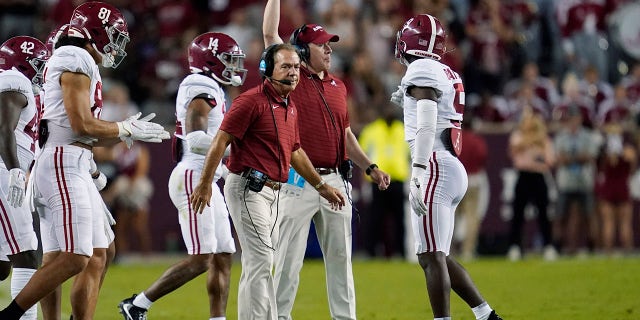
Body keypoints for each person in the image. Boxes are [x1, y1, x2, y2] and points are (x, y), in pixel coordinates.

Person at [0, 2, 170, 320]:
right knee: (75, 256)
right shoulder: (74, 55)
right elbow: (79, 125)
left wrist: (117, 138)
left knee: (98, 252)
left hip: (70, 159)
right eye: (113, 35)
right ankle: (10, 315)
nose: (117, 44)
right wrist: (122, 128)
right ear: (94, 31)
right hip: (62, 162)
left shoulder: (77, 59)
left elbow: (77, 128)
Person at [190, 43, 346, 320]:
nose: (293, 73)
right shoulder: (250, 101)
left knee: (257, 264)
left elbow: (295, 151)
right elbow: (220, 141)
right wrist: (204, 184)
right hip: (248, 187)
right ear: (266, 69)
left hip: (274, 191)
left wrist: (321, 186)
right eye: (285, 66)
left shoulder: (290, 106)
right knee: (262, 260)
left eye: (297, 67)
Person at [262, 1, 391, 319]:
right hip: (297, 179)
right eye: (322, 46)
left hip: (335, 178)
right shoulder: (290, 79)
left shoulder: (338, 85)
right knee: (289, 259)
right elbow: (269, 34)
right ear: (303, 53)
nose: (330, 50)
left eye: (330, 45)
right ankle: (278, 317)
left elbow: (345, 133)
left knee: (341, 259)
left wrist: (369, 166)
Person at [118, 32, 247, 320]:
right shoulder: (201, 86)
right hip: (193, 178)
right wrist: (234, 147)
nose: (234, 67)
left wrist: (227, 163)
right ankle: (138, 304)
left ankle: (218, 318)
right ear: (210, 61)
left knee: (224, 253)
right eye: (228, 60)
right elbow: (197, 137)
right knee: (202, 259)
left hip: (207, 177)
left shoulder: (213, 87)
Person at [392, 14, 503, 320]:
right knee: (437, 255)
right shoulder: (445, 70)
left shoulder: (421, 68)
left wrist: (417, 172)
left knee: (430, 256)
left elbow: (427, 123)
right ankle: (485, 314)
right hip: (449, 165)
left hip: (435, 165)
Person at [0, 35, 50, 320]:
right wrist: (16, 170)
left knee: (2, 265)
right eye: (38, 64)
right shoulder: (13, 81)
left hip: (8, 167)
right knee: (27, 253)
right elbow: (3, 129)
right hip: (5, 170)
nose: (42, 71)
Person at [357, 105, 409, 258]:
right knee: (375, 219)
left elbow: (410, 157)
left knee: (399, 220)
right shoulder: (371, 131)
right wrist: (364, 183)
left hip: (398, 180)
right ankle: (371, 251)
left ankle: (400, 252)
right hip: (376, 181)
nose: (389, 112)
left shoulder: (404, 130)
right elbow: (362, 156)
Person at [507, 108, 556, 262]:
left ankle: (548, 246)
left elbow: (549, 160)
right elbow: (514, 150)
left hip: (539, 177)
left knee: (543, 214)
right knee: (518, 214)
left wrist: (535, 141)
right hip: (523, 176)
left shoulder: (544, 139)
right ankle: (514, 247)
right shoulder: (518, 136)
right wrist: (533, 140)